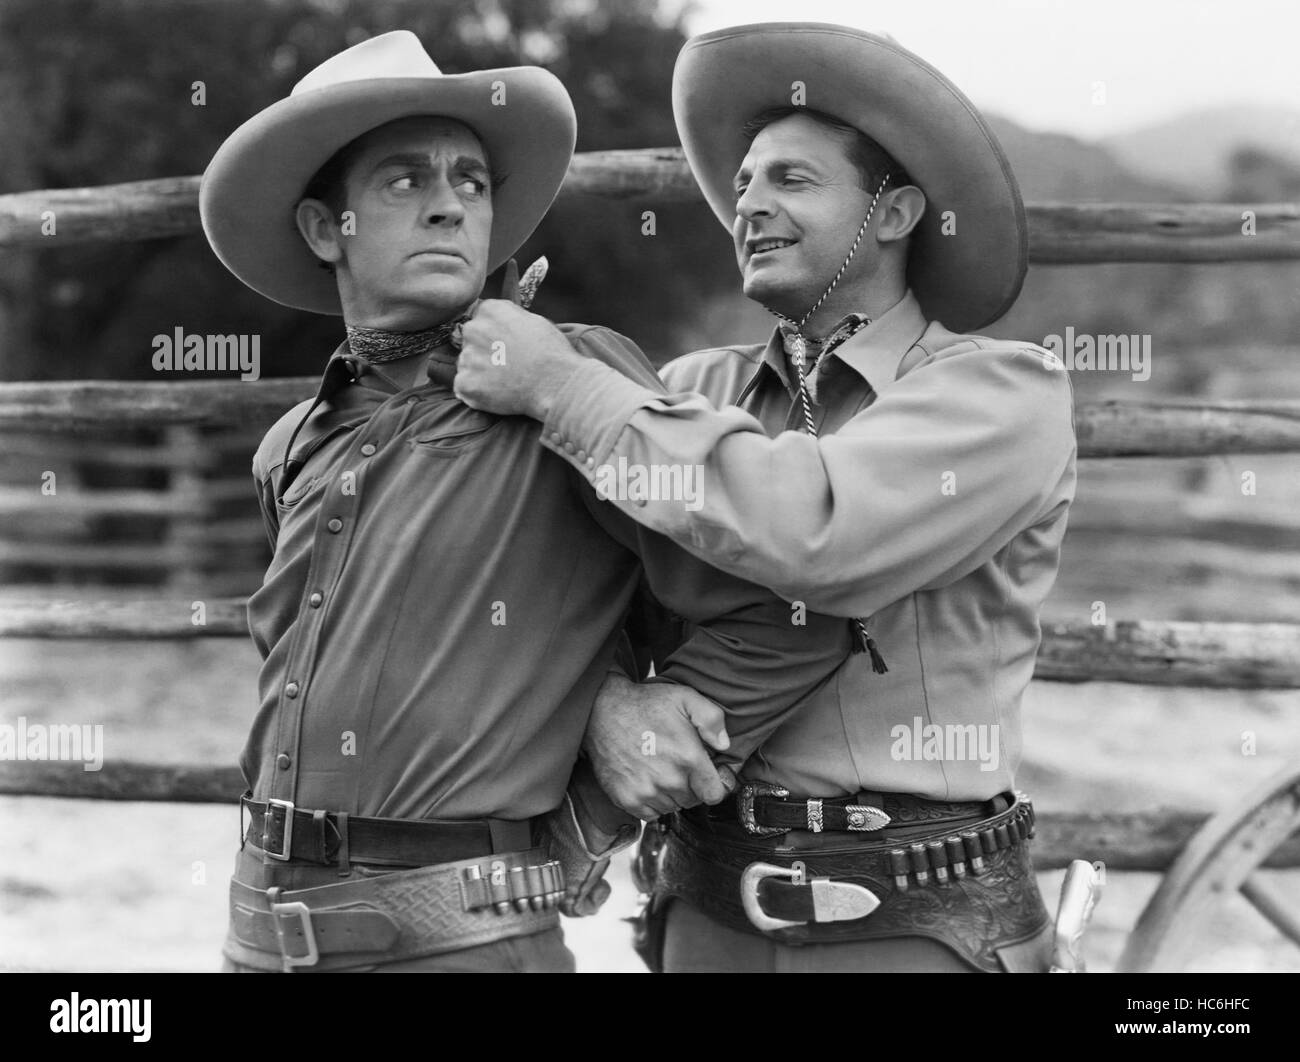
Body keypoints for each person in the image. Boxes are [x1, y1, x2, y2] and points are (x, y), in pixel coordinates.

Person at [199, 29, 850, 973]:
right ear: (321, 228)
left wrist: (600, 789)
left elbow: (793, 609)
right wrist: (582, 697)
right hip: (255, 937)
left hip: (464, 944)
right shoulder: (292, 444)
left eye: (471, 182)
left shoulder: (567, 381)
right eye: (403, 182)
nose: (449, 207)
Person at [453, 22, 1078, 972]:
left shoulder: (1003, 394)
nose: (748, 205)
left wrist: (555, 384)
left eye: (790, 180)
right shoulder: (686, 389)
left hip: (914, 930)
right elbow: (557, 585)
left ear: (897, 213)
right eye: (742, 185)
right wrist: (603, 705)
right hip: (700, 911)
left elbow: (816, 532)